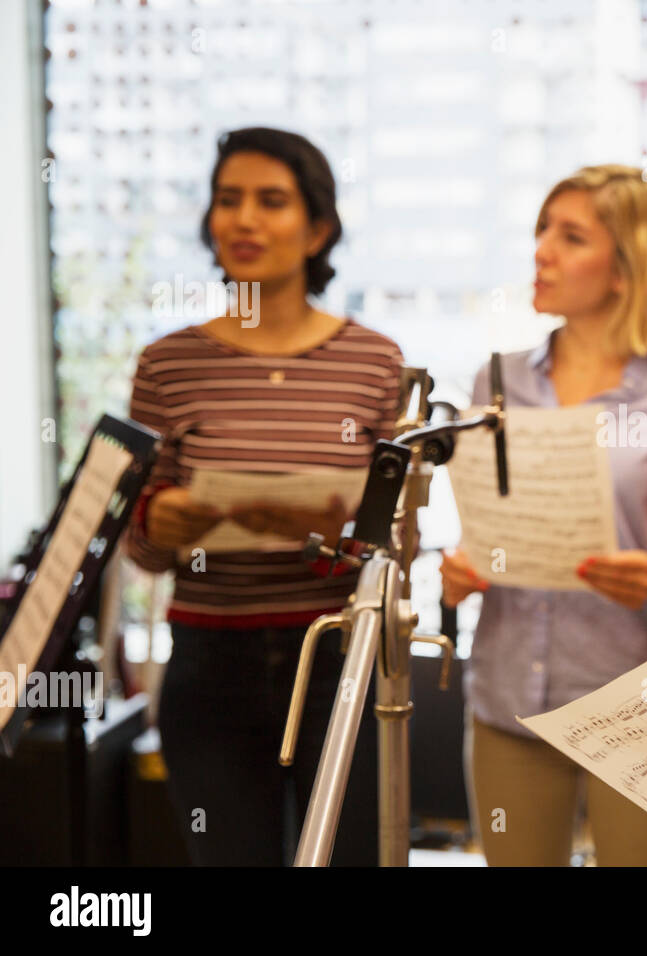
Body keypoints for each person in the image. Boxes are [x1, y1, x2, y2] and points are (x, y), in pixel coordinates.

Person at [124, 127, 405, 866]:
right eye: (228, 200)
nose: (244, 220)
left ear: (317, 229)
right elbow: (141, 550)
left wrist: (347, 525)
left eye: (271, 201)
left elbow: (395, 545)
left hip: (340, 662)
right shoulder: (167, 363)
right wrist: (164, 519)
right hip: (209, 665)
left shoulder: (375, 361)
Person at [439, 165, 647, 866]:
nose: (541, 250)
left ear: (630, 268)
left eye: (570, 237)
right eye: (542, 229)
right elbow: (490, 520)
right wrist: (463, 565)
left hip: (641, 703)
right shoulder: (497, 380)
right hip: (509, 697)